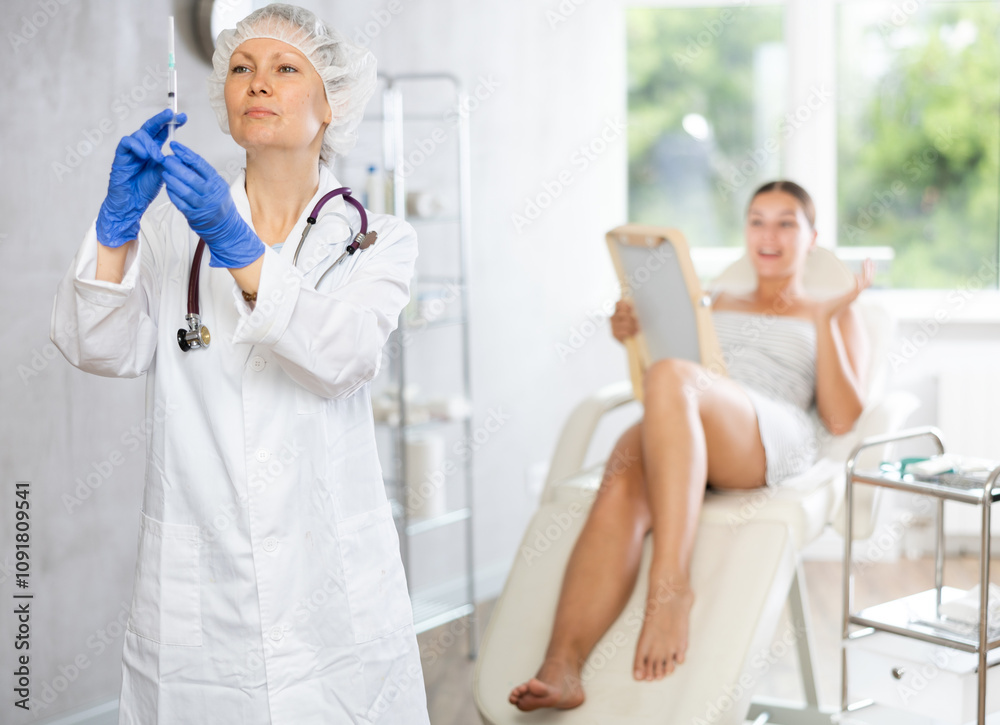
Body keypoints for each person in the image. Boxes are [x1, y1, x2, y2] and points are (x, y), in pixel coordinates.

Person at [50, 5, 429, 723]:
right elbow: (100, 346)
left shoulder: (377, 240)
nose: (258, 82)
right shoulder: (170, 231)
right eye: (240, 68)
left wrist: (235, 244)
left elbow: (343, 356)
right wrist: (115, 229)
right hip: (203, 584)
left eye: (286, 68)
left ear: (331, 103)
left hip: (330, 583)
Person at [509, 180, 872, 711]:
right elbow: (664, 374)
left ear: (812, 237)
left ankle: (671, 587)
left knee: (673, 376)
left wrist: (823, 318)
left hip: (770, 432)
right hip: (691, 418)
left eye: (785, 222)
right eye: (757, 220)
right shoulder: (714, 300)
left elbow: (841, 419)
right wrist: (632, 331)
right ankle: (561, 666)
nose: (768, 235)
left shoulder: (834, 310)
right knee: (626, 465)